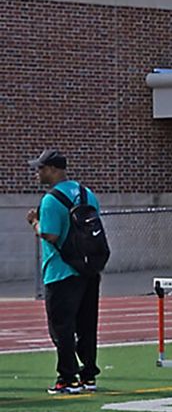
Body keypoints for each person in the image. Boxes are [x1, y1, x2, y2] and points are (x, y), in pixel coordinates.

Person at [25, 149, 102, 395]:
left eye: (41, 168)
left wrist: (34, 223)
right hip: (88, 268)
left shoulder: (50, 200)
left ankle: (67, 378)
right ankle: (88, 374)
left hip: (60, 271)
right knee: (87, 325)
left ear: (54, 170)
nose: (38, 172)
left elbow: (50, 234)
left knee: (61, 327)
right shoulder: (87, 194)